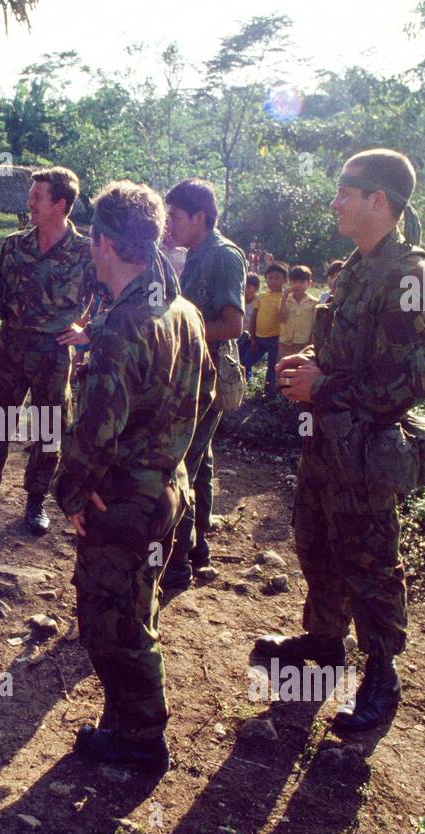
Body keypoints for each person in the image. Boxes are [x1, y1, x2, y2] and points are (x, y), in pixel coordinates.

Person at [258, 147, 425, 733]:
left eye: (346, 192)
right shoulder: (355, 269)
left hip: (365, 454)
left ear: (378, 200)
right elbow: (345, 352)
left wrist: (325, 386)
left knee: (371, 561)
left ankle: (382, 676)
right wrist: (307, 364)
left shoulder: (410, 276)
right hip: (325, 445)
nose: (335, 202)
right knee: (316, 542)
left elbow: (410, 383)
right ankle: (323, 644)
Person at [54, 181, 214, 771]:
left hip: (121, 501)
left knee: (109, 622)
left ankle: (141, 738)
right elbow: (207, 396)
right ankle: (129, 721)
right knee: (137, 608)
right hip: (168, 489)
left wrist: (71, 490)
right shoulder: (182, 312)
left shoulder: (123, 328)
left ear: (101, 242)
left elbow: (98, 430)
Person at [0, 168, 99, 536]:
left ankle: (35, 502)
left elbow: (108, 297)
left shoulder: (86, 251)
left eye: (37, 197)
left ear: (61, 204)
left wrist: (88, 330)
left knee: (47, 431)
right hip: (12, 350)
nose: (29, 203)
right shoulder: (15, 245)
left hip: (53, 354)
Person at [161, 178, 245, 591]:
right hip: (192, 378)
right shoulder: (193, 254)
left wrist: (182, 332)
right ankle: (197, 550)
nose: (168, 223)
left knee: (182, 468)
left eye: (174, 216)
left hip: (207, 380)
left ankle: (175, 567)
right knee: (200, 464)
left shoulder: (223, 256)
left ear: (199, 217)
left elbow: (232, 324)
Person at [243, 262, 287, 396]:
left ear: (285, 280)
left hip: (276, 339)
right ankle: (244, 385)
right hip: (259, 338)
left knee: (272, 368)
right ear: (266, 279)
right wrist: (252, 336)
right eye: (270, 277)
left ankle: (269, 394)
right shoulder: (262, 297)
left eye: (277, 278)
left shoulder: (286, 298)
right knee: (246, 361)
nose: (273, 281)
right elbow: (254, 318)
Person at [277, 265, 318, 359]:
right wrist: (284, 297)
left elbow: (314, 326)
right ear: (289, 283)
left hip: (303, 344)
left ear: (309, 283)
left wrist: (311, 344)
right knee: (282, 369)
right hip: (285, 343)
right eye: (294, 282)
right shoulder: (285, 300)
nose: (298, 285)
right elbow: (281, 319)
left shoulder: (314, 303)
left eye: (302, 282)